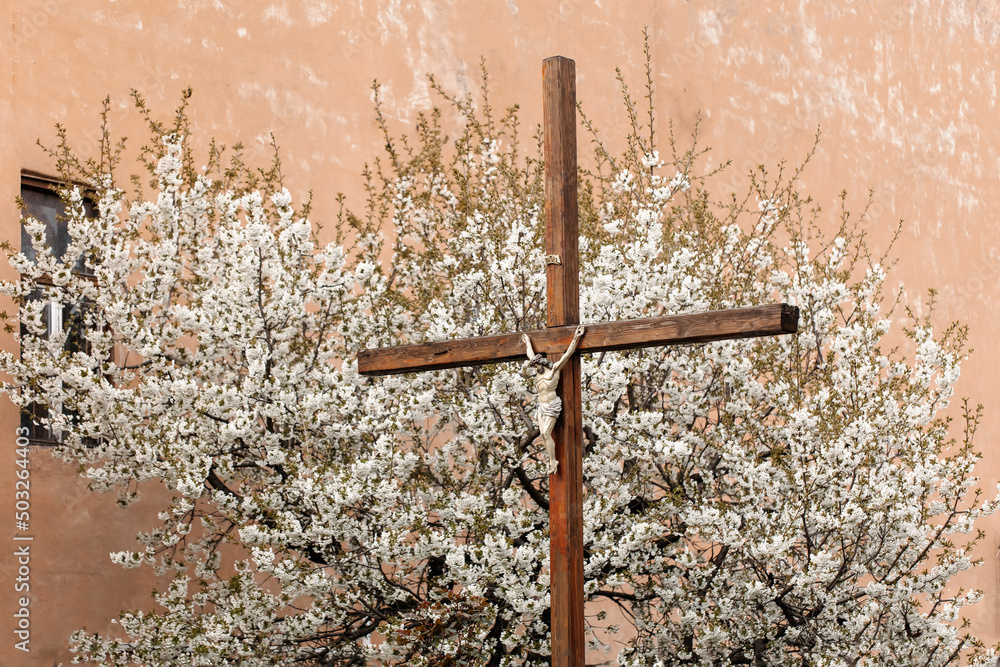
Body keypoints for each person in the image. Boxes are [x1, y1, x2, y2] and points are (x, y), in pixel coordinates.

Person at [522, 325, 585, 475]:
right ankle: (552, 460)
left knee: (545, 431)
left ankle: (553, 461)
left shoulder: (554, 369)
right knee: (543, 434)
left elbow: (567, 355)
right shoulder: (538, 372)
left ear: (541, 363)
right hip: (542, 405)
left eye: (536, 365)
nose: (535, 368)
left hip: (552, 405)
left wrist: (576, 337)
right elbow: (530, 354)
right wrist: (527, 342)